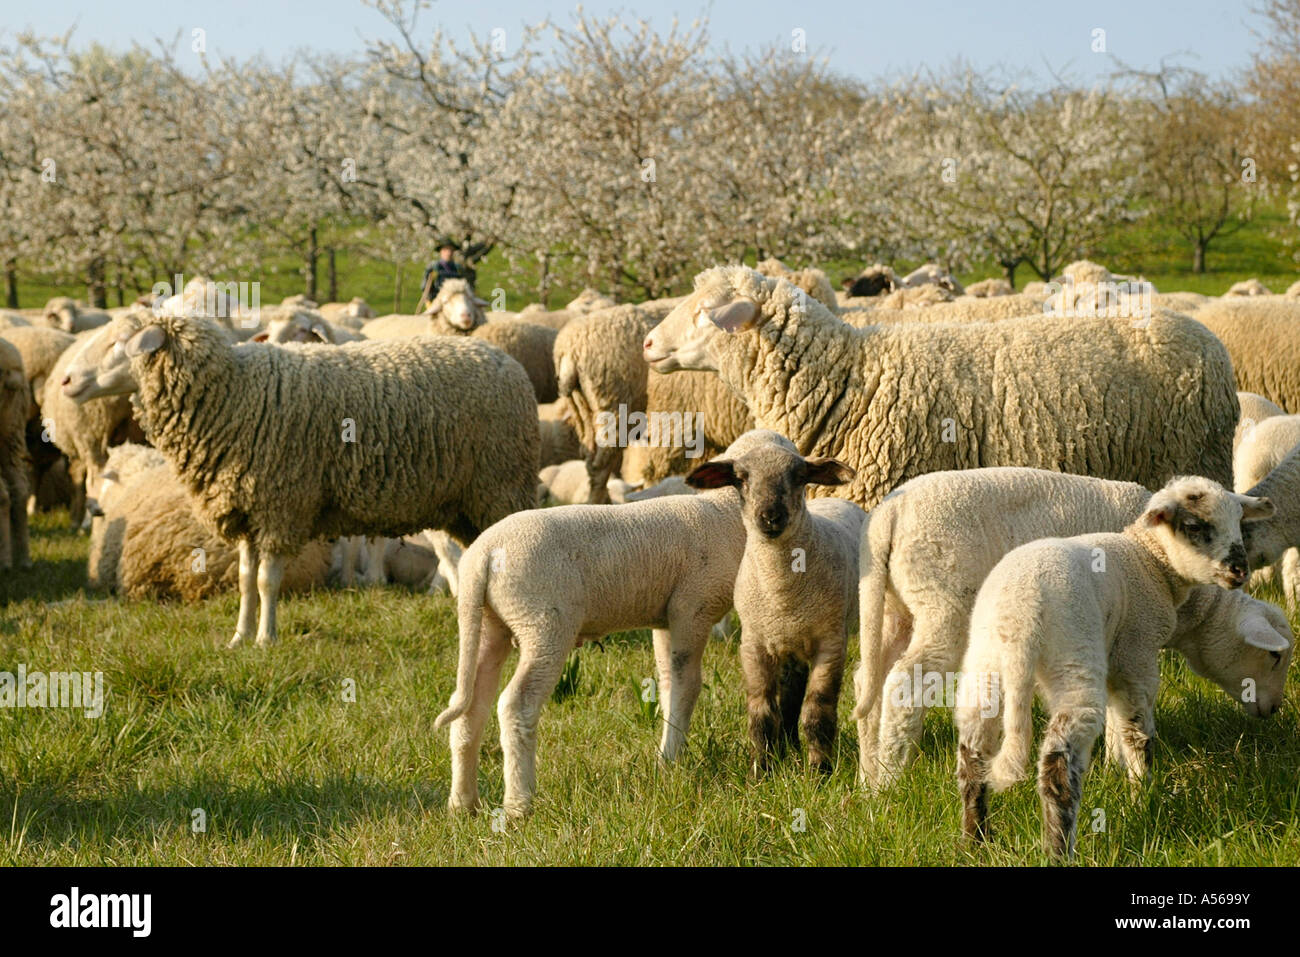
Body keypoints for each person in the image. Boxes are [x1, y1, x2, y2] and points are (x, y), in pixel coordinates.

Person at [419, 242, 461, 309]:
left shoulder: (458, 268)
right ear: (441, 252)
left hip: (454, 301)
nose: (449, 253)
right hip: (436, 299)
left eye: (451, 250)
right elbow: (425, 286)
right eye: (445, 250)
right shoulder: (433, 267)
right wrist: (428, 300)